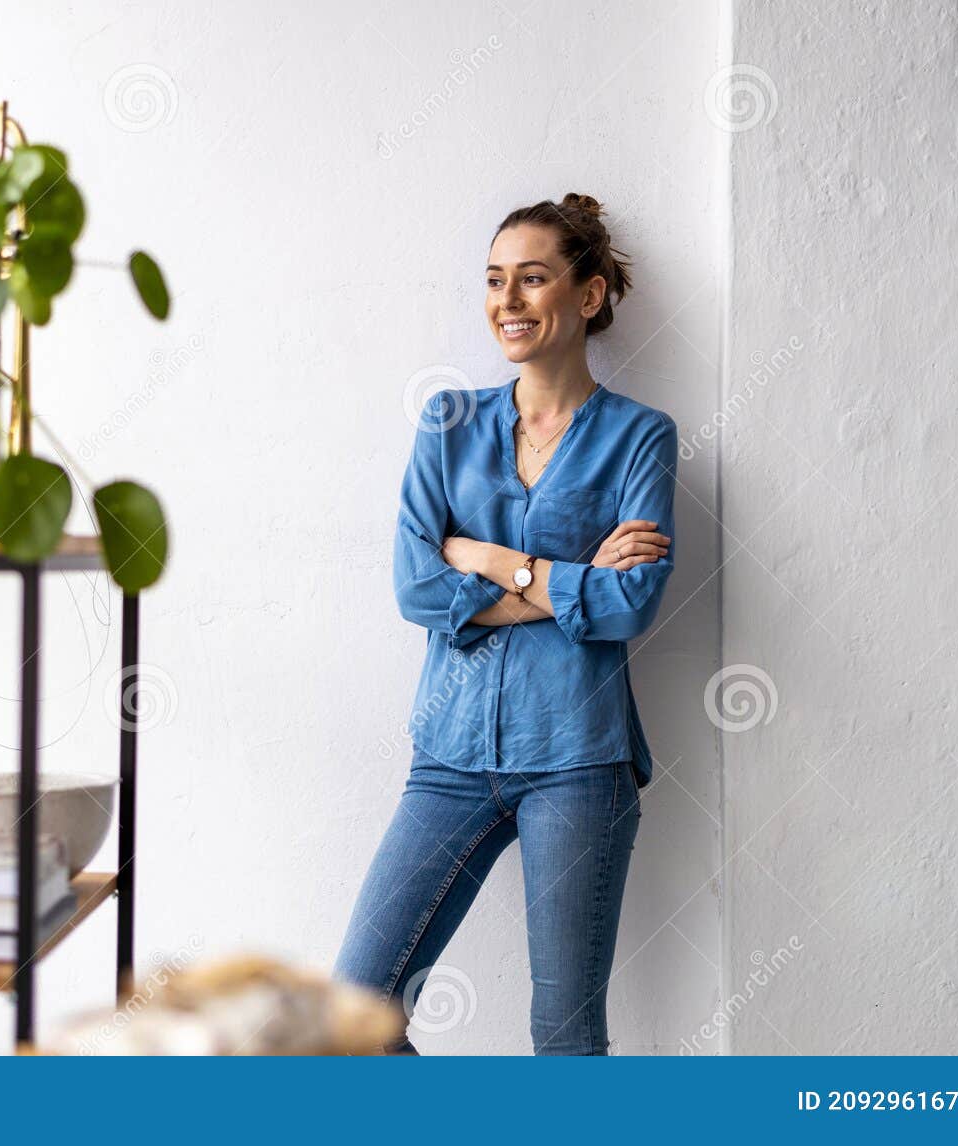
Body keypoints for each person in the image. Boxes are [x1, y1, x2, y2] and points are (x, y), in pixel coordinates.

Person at [333, 194, 678, 1055]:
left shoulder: (642, 438)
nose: (508, 301)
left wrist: (491, 560)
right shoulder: (447, 425)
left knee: (563, 1034)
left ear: (589, 296)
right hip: (448, 756)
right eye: (495, 281)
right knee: (351, 1017)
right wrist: (570, 582)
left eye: (533, 279)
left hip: (578, 760)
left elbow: (629, 605)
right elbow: (417, 588)